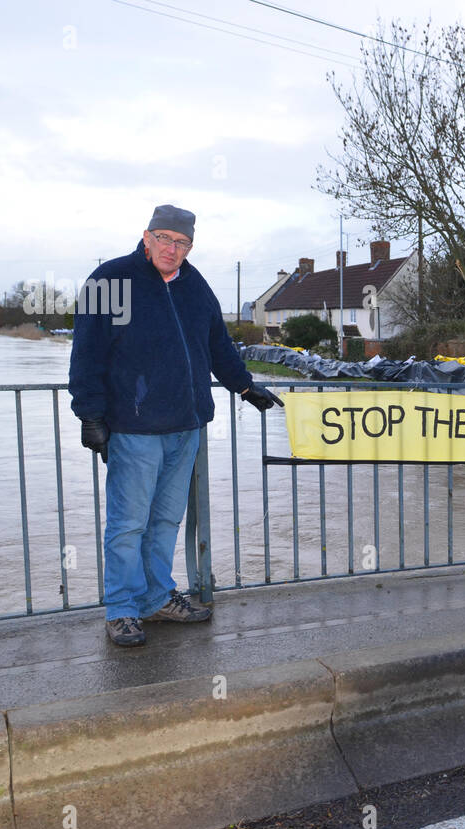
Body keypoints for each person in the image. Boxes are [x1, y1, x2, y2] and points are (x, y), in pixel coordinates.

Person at [69, 204, 284, 647]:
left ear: (190, 246)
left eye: (181, 242)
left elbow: (217, 345)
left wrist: (244, 387)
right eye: (164, 238)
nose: (172, 249)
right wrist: (90, 414)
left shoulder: (195, 285)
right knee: (128, 523)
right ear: (145, 236)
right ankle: (122, 609)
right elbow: (86, 353)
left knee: (166, 519)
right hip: (133, 427)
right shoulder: (109, 280)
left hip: (186, 425)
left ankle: (155, 599)